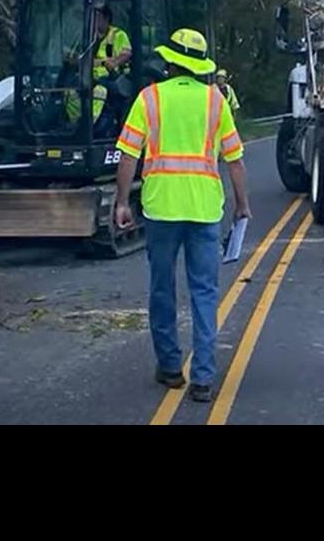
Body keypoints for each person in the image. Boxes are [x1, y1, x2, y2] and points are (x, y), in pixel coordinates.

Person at [114, 28, 251, 403]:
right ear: (200, 65)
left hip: (161, 208)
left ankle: (171, 367)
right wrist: (242, 205)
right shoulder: (215, 101)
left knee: (162, 288)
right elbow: (234, 159)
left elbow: (129, 154)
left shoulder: (150, 98)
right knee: (205, 292)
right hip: (205, 209)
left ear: (171, 62)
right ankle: (203, 377)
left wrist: (122, 201)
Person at [65, 2, 131, 130]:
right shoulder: (87, 36)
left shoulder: (118, 35)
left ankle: (91, 125)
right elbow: (77, 56)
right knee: (69, 93)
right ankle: (75, 124)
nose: (93, 20)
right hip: (87, 77)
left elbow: (126, 54)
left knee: (99, 92)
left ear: (106, 18)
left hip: (111, 78)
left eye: (96, 17)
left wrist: (114, 62)